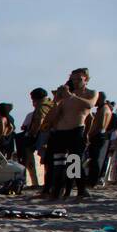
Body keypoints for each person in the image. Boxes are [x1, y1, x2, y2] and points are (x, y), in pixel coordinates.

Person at [43, 68, 97, 199]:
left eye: (79, 79)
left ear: (86, 79)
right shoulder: (66, 95)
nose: (76, 82)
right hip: (61, 132)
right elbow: (52, 116)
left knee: (74, 162)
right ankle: (57, 191)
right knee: (58, 164)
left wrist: (71, 96)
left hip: (76, 129)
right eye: (73, 79)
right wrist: (56, 100)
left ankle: (80, 190)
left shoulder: (91, 93)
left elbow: (90, 105)